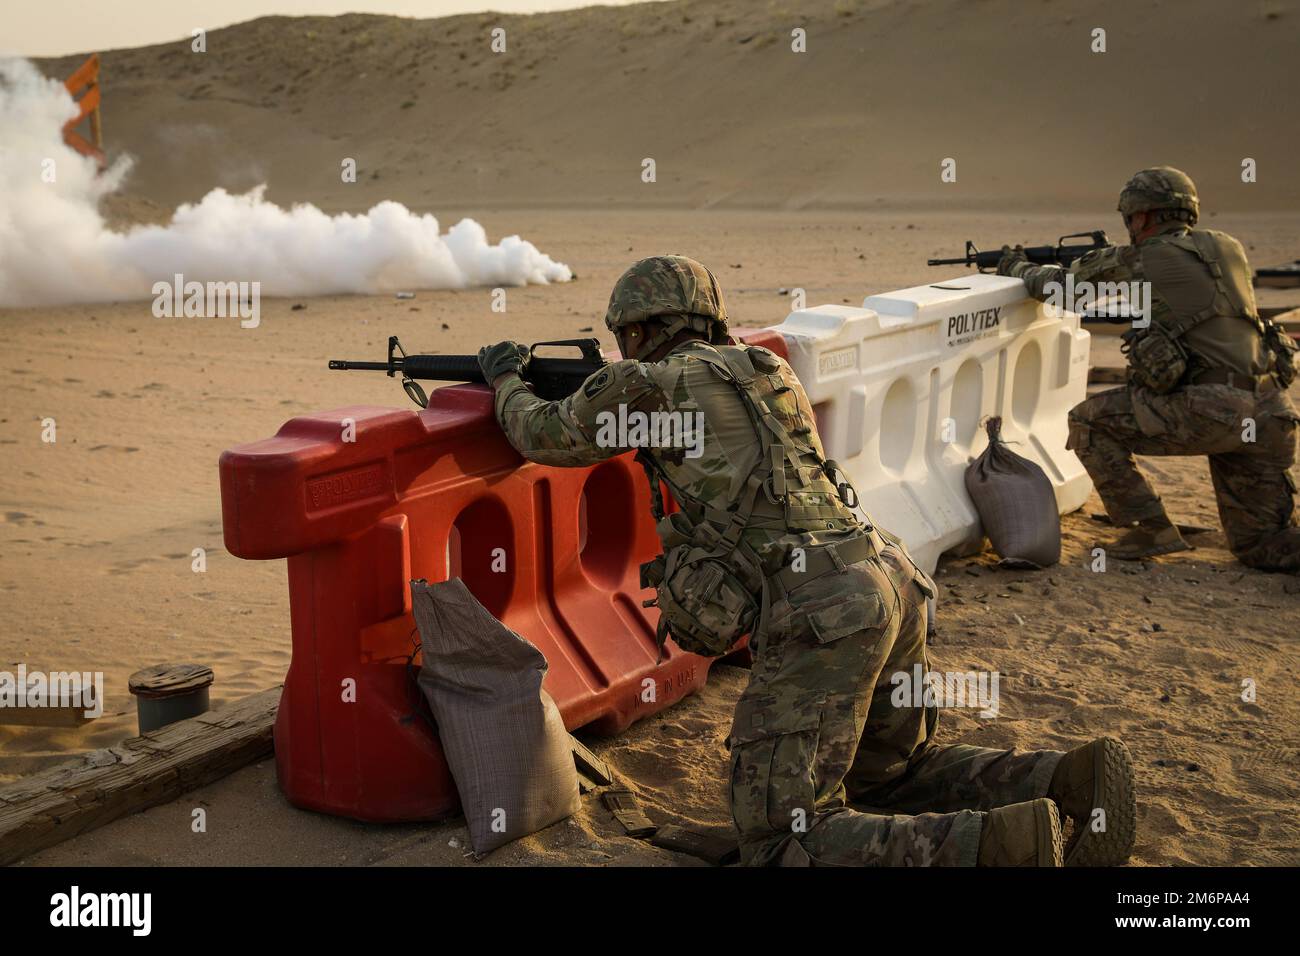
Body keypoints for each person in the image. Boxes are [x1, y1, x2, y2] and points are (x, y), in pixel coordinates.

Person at [478, 254, 1136, 866]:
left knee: (780, 839)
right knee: (892, 772)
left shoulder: (651, 384)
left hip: (822, 609)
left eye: (627, 335)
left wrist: (505, 376)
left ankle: (1005, 845)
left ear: (646, 329)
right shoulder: (769, 372)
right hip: (890, 577)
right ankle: (1064, 779)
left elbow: (542, 433)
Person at [999, 167, 1300, 569]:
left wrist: (1015, 266)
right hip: (1271, 413)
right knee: (1263, 546)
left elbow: (1061, 287)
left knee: (1088, 421)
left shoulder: (1149, 255)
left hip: (1216, 411)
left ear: (1140, 217)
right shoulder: (1229, 247)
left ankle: (1150, 528)